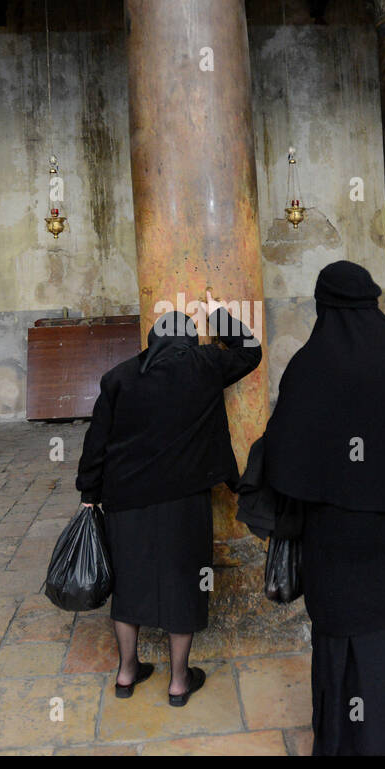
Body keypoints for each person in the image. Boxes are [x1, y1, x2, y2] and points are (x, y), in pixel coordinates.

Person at [259, 260, 385, 754]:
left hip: (338, 546)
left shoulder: (310, 367)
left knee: (346, 643)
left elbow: (283, 460)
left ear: (324, 306)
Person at [76, 300, 261, 706]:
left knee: (127, 585)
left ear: (152, 341)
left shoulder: (118, 378)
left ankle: (126, 673)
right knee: (184, 584)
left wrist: (89, 493)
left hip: (126, 499)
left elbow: (97, 443)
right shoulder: (205, 365)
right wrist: (217, 316)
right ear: (190, 342)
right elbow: (250, 349)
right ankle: (179, 682)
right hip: (184, 501)